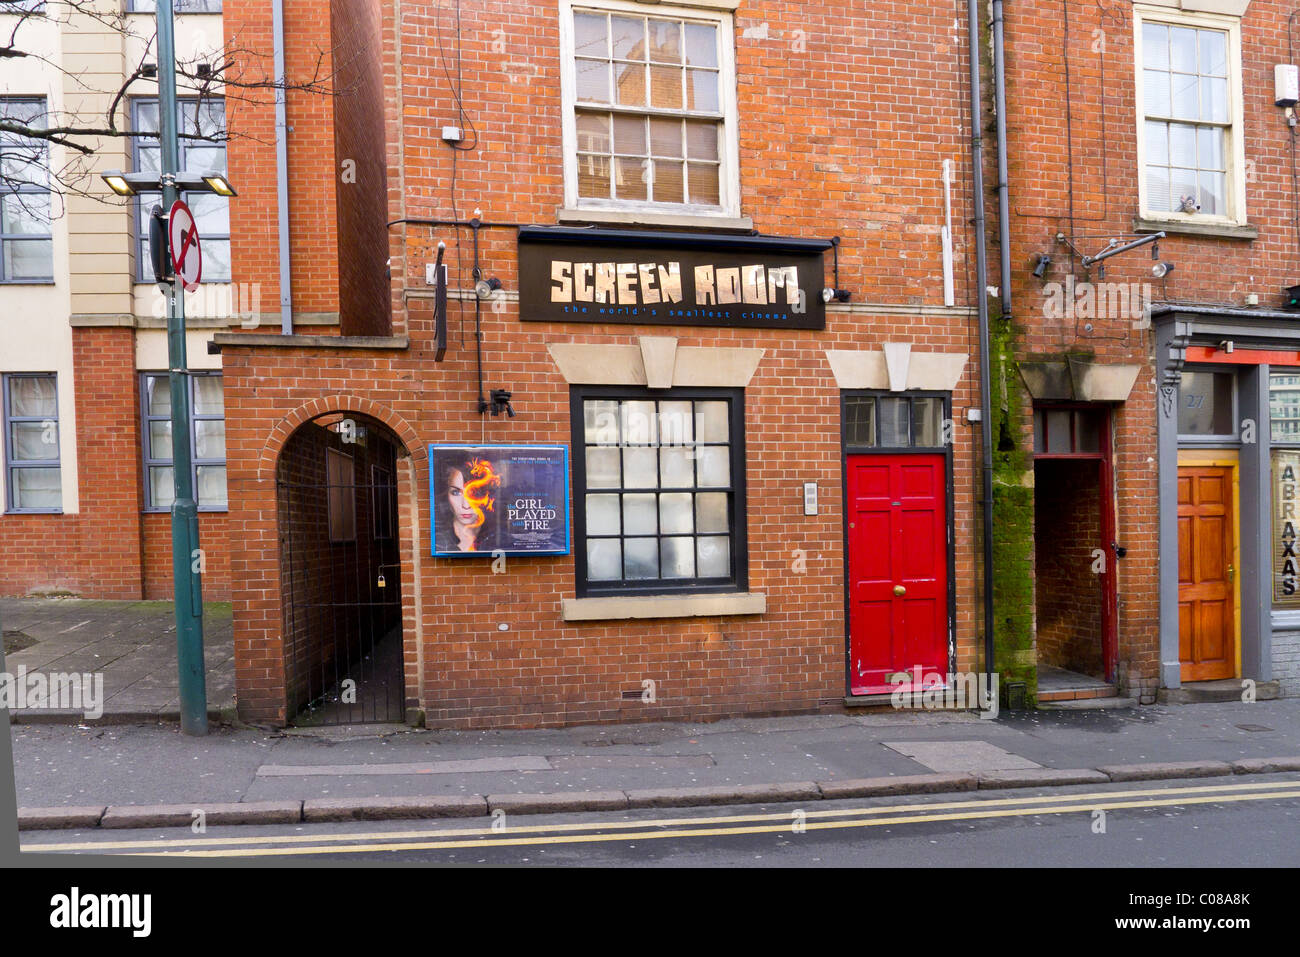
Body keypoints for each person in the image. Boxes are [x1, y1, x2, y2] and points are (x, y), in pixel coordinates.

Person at [436, 457, 500, 553]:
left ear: (487, 496)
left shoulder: (500, 541)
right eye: (456, 492)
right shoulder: (438, 542)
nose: (466, 505)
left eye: (474, 492)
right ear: (446, 495)